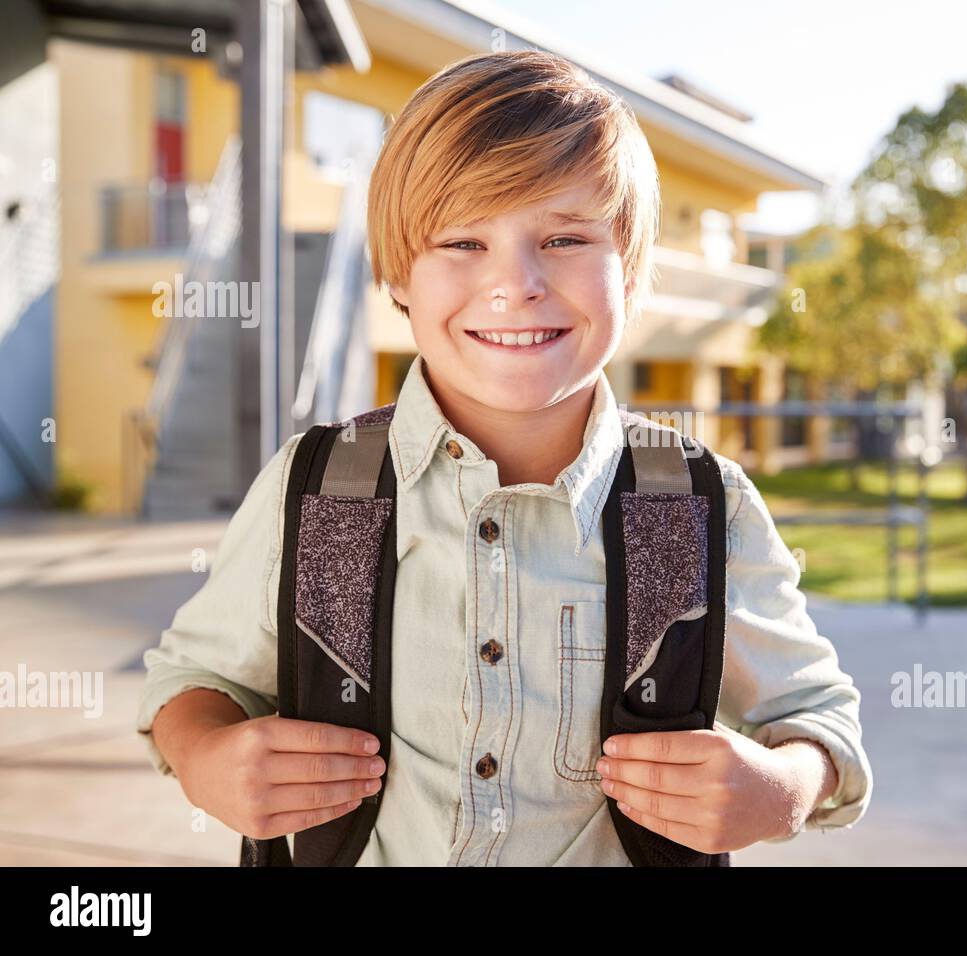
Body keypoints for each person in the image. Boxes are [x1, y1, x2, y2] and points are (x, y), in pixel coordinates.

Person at [136, 49, 871, 866]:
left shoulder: (697, 507)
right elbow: (192, 681)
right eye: (462, 241)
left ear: (628, 271)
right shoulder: (319, 490)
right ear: (399, 274)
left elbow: (818, 719)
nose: (515, 283)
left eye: (563, 237)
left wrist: (785, 789)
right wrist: (206, 757)